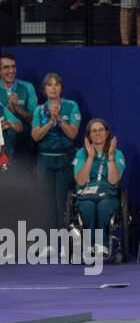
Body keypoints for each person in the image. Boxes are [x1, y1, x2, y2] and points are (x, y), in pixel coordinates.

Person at [32, 73, 81, 229]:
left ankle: (64, 241)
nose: (53, 88)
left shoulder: (71, 106)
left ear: (61, 88)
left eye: (57, 84)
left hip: (64, 160)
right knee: (46, 202)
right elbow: (35, 136)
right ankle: (48, 242)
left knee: (63, 203)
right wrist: (49, 123)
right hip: (45, 161)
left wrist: (59, 119)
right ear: (44, 89)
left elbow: (73, 134)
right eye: (49, 85)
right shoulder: (39, 110)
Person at [72, 119, 125, 255]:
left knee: (103, 206)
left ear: (107, 133)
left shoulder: (117, 153)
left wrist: (111, 157)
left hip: (108, 194)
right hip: (86, 195)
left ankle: (102, 245)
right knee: (88, 207)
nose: (97, 133)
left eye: (101, 130)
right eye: (93, 131)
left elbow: (113, 180)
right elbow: (80, 180)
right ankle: (88, 245)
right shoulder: (81, 154)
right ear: (89, 135)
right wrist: (90, 158)